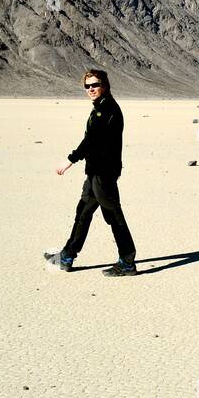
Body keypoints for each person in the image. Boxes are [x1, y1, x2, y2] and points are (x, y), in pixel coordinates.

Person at [44, 69, 137, 276]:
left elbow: (92, 140)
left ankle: (128, 261)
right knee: (83, 212)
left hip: (104, 174)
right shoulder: (100, 108)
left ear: (104, 85)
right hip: (95, 172)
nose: (91, 89)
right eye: (87, 86)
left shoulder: (108, 109)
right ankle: (67, 256)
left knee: (114, 216)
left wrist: (70, 159)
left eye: (95, 85)